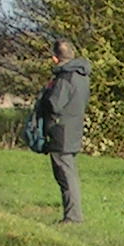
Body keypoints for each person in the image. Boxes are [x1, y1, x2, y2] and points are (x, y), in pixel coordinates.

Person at [34, 38, 91, 224]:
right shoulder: (82, 75)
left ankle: (73, 217)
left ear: (55, 58)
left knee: (66, 178)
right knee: (69, 174)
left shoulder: (64, 78)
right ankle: (72, 215)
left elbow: (55, 104)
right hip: (73, 130)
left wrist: (44, 97)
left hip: (61, 132)